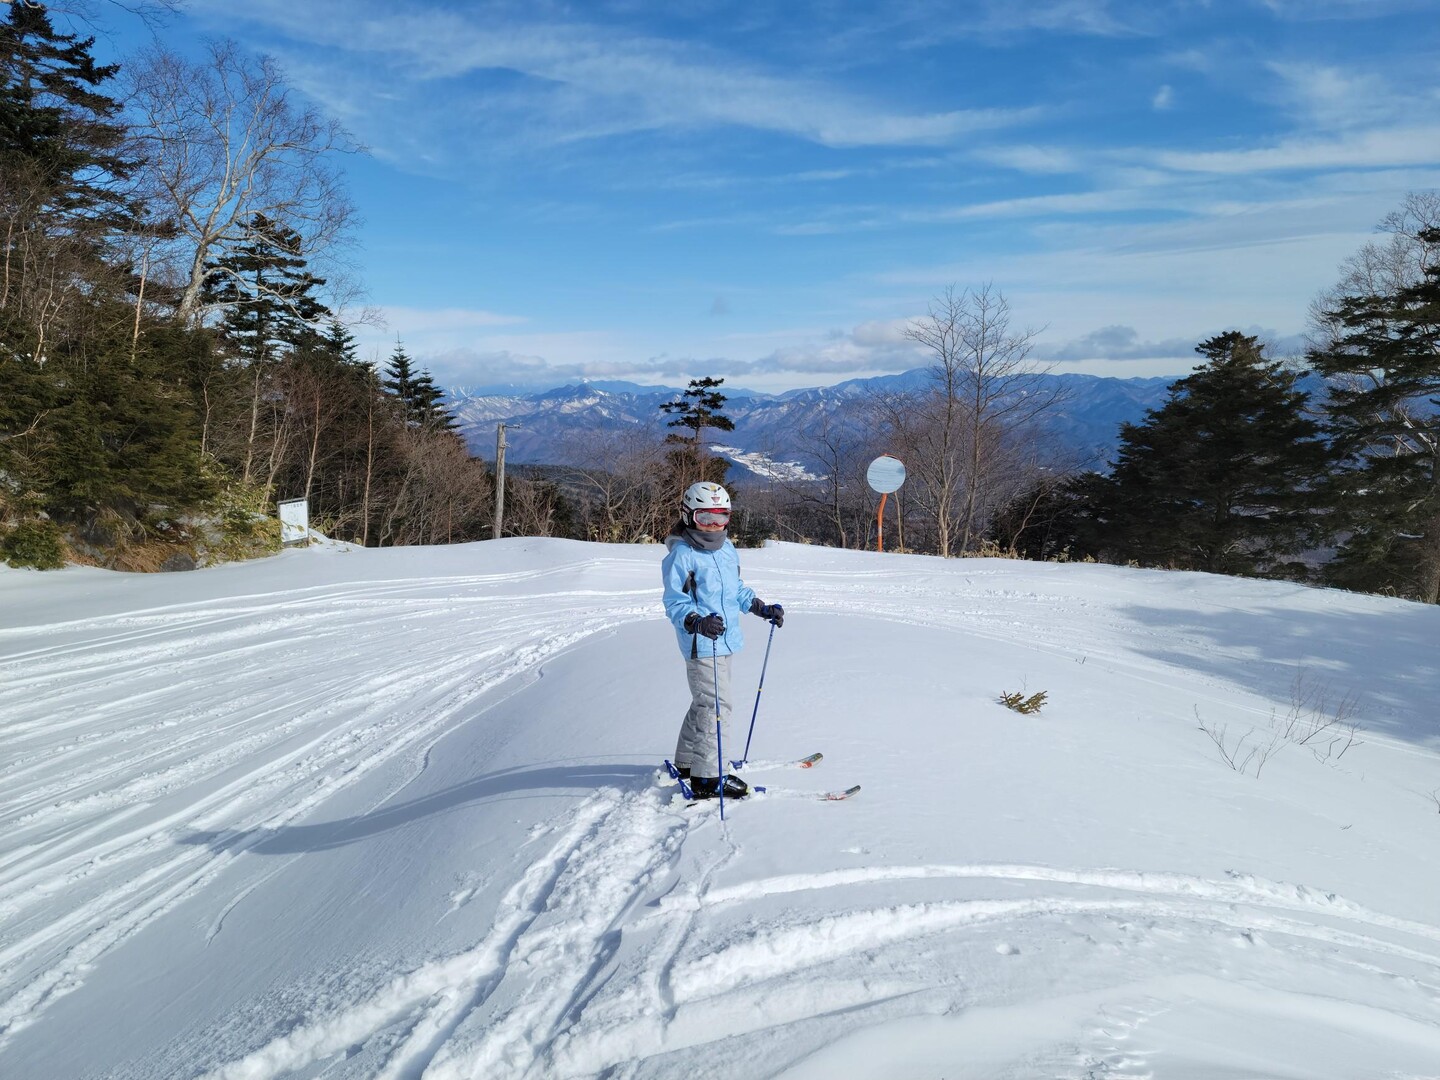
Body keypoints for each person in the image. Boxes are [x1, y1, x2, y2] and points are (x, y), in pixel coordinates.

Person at [661, 482, 784, 800]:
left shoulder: (727, 550)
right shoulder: (682, 556)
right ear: (688, 516)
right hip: (700, 643)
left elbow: (736, 589)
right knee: (716, 707)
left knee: (705, 703)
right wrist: (696, 622)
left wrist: (760, 607)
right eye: (706, 519)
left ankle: (688, 761)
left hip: (726, 640)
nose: (714, 527)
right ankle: (708, 777)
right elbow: (675, 603)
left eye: (721, 518)